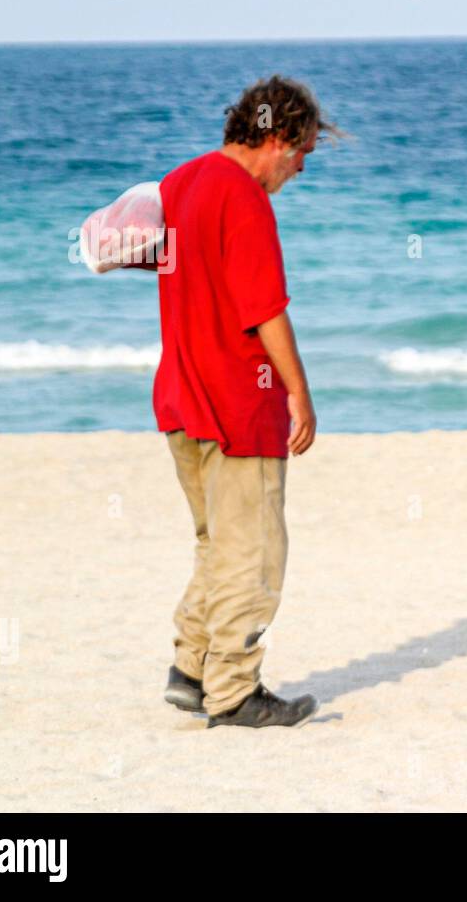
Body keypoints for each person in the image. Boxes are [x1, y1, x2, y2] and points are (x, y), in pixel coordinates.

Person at [143, 75, 339, 728]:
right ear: (277, 137)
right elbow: (265, 311)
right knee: (254, 552)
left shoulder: (181, 181)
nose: (303, 166)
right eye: (304, 150)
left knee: (216, 545)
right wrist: (300, 392)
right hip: (236, 403)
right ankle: (232, 691)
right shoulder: (245, 198)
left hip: (180, 397)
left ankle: (190, 671)